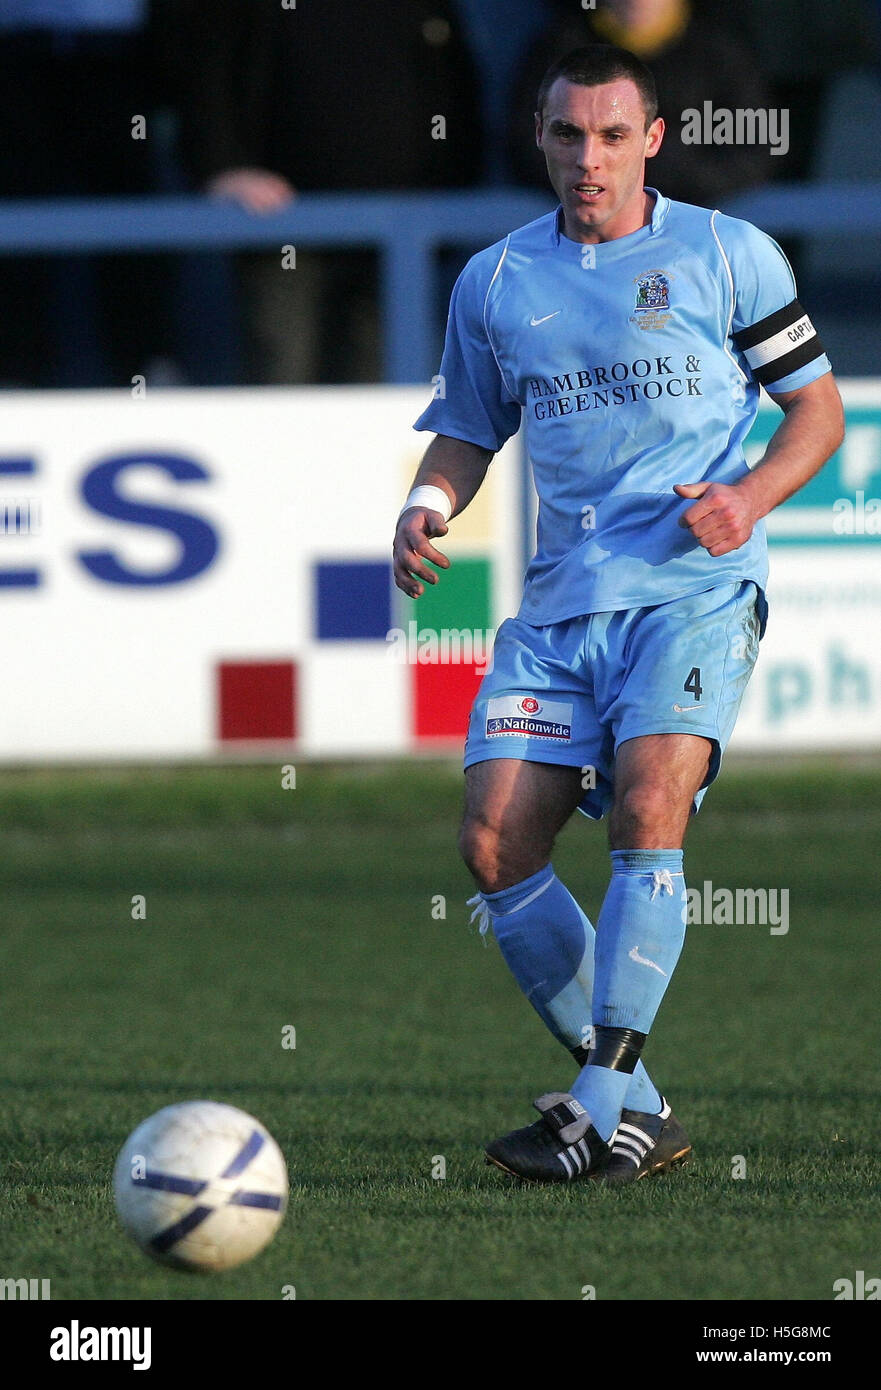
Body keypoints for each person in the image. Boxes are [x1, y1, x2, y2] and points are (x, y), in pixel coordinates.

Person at [392, 45, 844, 1184]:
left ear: (650, 137)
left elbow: (817, 411)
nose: (585, 159)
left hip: (688, 595)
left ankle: (593, 1108)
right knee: (495, 840)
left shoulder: (723, 253)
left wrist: (746, 496)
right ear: (535, 141)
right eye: (563, 137)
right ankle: (639, 1108)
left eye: (608, 136)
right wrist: (426, 502)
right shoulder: (495, 280)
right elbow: (465, 423)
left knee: (651, 807)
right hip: (559, 609)